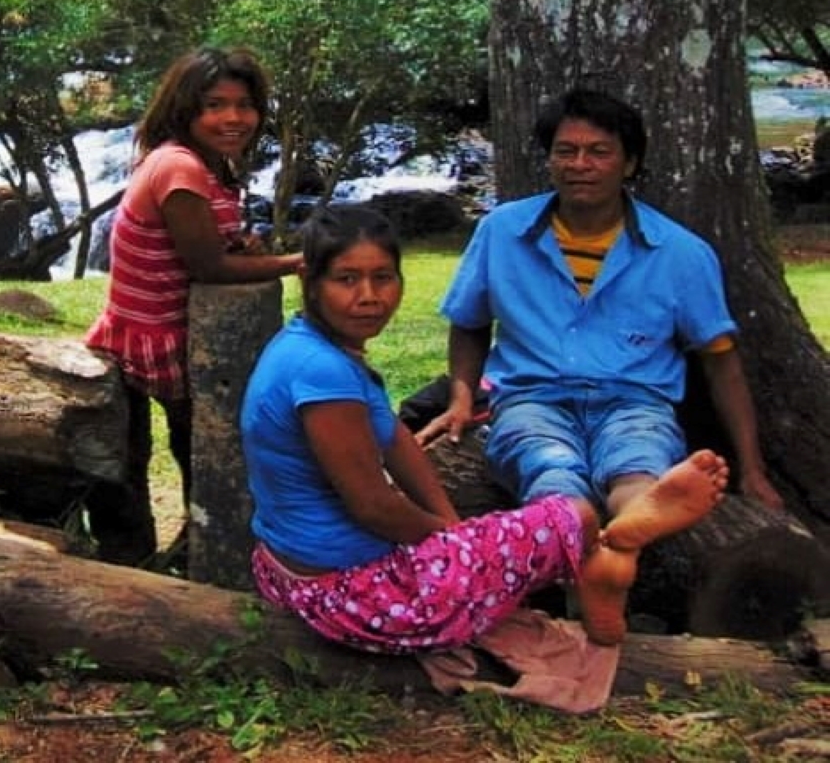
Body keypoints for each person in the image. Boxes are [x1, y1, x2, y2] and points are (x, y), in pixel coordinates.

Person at [242, 205, 728, 653]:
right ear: (309, 280)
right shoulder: (320, 372)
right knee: (574, 515)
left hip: (312, 571)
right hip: (350, 595)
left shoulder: (322, 350)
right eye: (347, 279)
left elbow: (396, 442)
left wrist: (456, 530)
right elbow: (372, 505)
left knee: (539, 523)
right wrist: (448, 543)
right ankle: (610, 549)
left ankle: (609, 550)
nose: (369, 297)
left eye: (383, 278)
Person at [419, 88, 784, 517]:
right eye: (566, 151)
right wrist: (461, 401)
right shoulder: (502, 232)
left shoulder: (680, 253)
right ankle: (589, 530)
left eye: (599, 152)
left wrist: (753, 470)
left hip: (636, 404)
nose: (580, 165)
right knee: (550, 475)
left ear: (629, 163)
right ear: (550, 159)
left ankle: (635, 519)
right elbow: (468, 322)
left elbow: (721, 360)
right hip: (532, 401)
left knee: (637, 467)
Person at [82, 47, 303, 565]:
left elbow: (201, 246)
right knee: (201, 457)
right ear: (186, 109)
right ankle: (168, 559)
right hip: (159, 342)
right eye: (215, 105)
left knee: (157, 457)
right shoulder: (180, 167)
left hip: (143, 327)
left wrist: (239, 243)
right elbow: (208, 268)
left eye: (244, 105)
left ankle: (169, 554)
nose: (233, 118)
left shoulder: (199, 160)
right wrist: (295, 262)